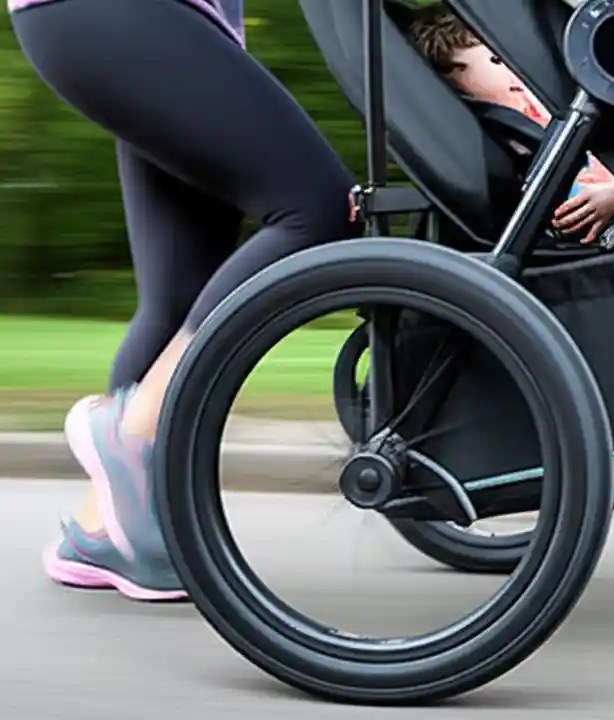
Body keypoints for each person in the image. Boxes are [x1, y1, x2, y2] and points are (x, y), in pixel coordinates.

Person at [9, 0, 360, 601]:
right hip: (122, 15)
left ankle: (105, 533)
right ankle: (131, 429)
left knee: (178, 299)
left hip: (149, 24)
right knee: (319, 207)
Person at [407, 3, 614, 249]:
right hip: (610, 229)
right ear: (454, 78)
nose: (513, 68)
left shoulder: (542, 107)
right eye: (497, 60)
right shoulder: (496, 135)